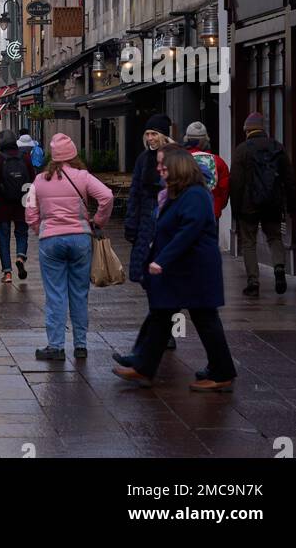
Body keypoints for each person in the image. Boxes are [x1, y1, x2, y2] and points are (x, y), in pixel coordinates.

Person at [113, 147, 237, 392]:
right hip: (182, 270)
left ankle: (222, 372)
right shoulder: (179, 193)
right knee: (161, 313)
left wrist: (162, 260)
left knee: (205, 319)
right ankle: (144, 367)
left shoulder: (195, 195)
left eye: (164, 166)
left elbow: (187, 232)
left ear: (178, 168)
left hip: (194, 271)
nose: (159, 169)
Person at [25, 133, 113, 360]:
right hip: (80, 237)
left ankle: (55, 346)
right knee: (79, 293)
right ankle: (81, 345)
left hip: (51, 239)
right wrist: (98, 221)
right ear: (73, 154)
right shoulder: (82, 176)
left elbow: (30, 211)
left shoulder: (39, 180)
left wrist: (39, 229)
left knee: (55, 294)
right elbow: (106, 196)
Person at [229, 112, 296, 297]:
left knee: (249, 242)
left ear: (247, 130)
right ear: (262, 129)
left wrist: (235, 209)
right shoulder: (278, 147)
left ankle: (253, 282)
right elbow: (289, 179)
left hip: (248, 205)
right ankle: (279, 268)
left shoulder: (241, 150)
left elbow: (236, 182)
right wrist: (291, 205)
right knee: (275, 238)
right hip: (273, 203)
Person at [125, 115, 174, 290]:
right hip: (146, 219)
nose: (150, 138)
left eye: (154, 134)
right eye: (147, 134)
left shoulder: (175, 156)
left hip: (167, 217)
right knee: (144, 271)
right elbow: (135, 192)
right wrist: (131, 224)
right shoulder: (143, 158)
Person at [0, 128, 34, 283]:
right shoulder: (25, 158)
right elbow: (32, 181)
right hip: (21, 203)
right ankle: (20, 256)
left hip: (3, 205)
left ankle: (7, 273)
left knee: (3, 238)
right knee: (22, 233)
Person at [183, 121, 230, 218]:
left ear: (186, 139)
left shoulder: (179, 160)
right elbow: (224, 189)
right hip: (211, 212)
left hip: (186, 212)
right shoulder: (218, 161)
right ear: (206, 140)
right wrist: (219, 205)